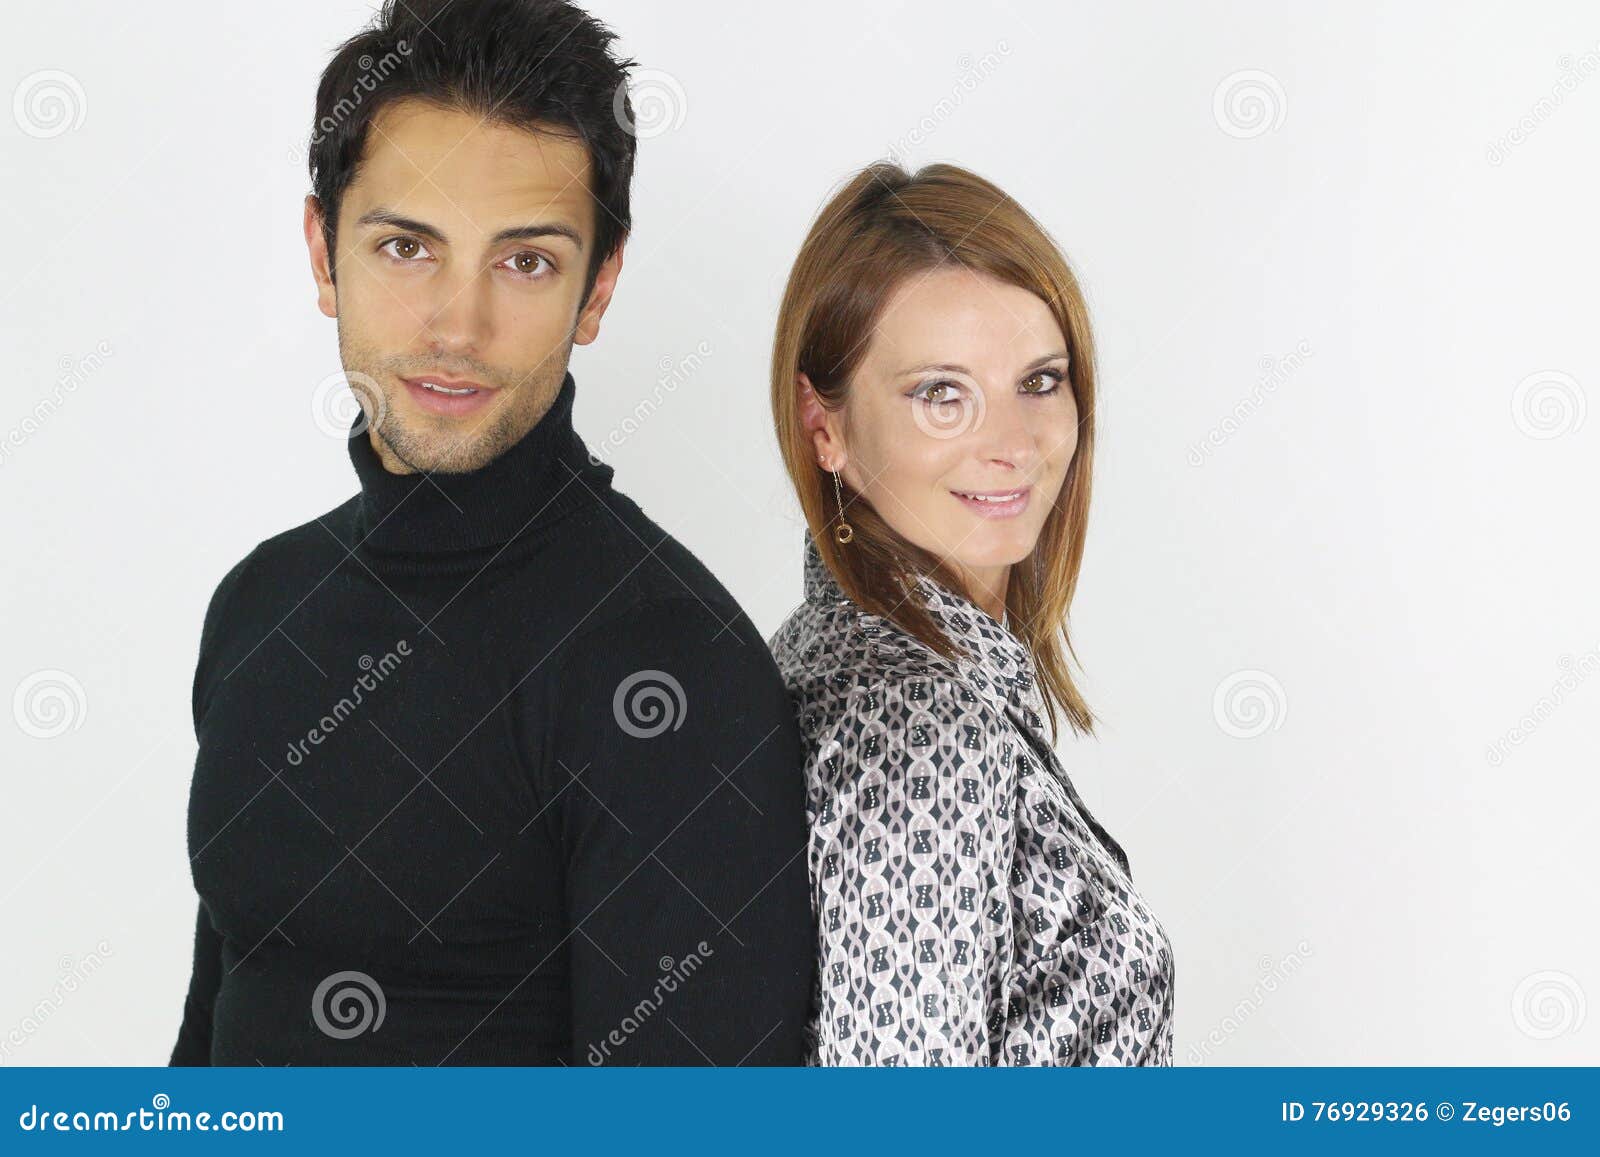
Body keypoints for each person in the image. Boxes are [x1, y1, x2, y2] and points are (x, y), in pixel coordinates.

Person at [170, 0, 814, 1065]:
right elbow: (211, 1038)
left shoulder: (665, 665)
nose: (457, 327)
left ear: (597, 287)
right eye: (406, 246)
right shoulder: (261, 605)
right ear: (324, 256)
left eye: (524, 262)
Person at [766, 160, 1175, 1065]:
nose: (1013, 445)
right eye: (941, 394)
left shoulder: (864, 658)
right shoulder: (917, 719)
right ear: (822, 424)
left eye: (1039, 381)